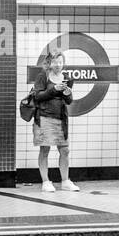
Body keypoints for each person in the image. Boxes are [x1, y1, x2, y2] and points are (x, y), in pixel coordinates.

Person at [32, 48, 77, 192]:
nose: (58, 65)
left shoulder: (67, 79)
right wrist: (54, 89)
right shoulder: (43, 76)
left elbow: (69, 101)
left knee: (65, 150)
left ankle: (65, 180)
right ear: (49, 63)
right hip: (44, 117)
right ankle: (46, 181)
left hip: (61, 118)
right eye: (55, 62)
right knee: (45, 149)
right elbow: (37, 96)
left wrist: (67, 93)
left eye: (60, 62)